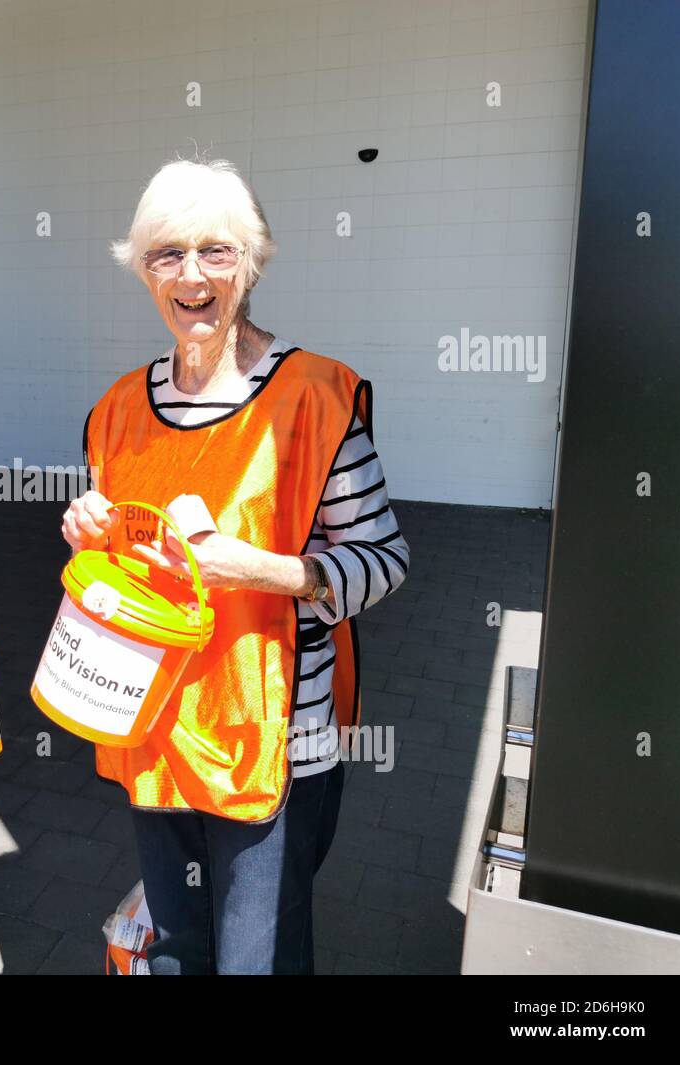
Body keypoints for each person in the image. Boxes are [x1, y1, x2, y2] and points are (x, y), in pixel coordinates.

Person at [63, 158, 411, 974]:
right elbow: (122, 567)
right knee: (178, 945)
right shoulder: (118, 408)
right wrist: (90, 533)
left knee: (257, 958)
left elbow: (384, 560)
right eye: (166, 254)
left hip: (276, 740)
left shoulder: (316, 397)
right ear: (142, 269)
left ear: (251, 262)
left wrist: (265, 570)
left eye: (216, 252)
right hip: (151, 726)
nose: (191, 276)